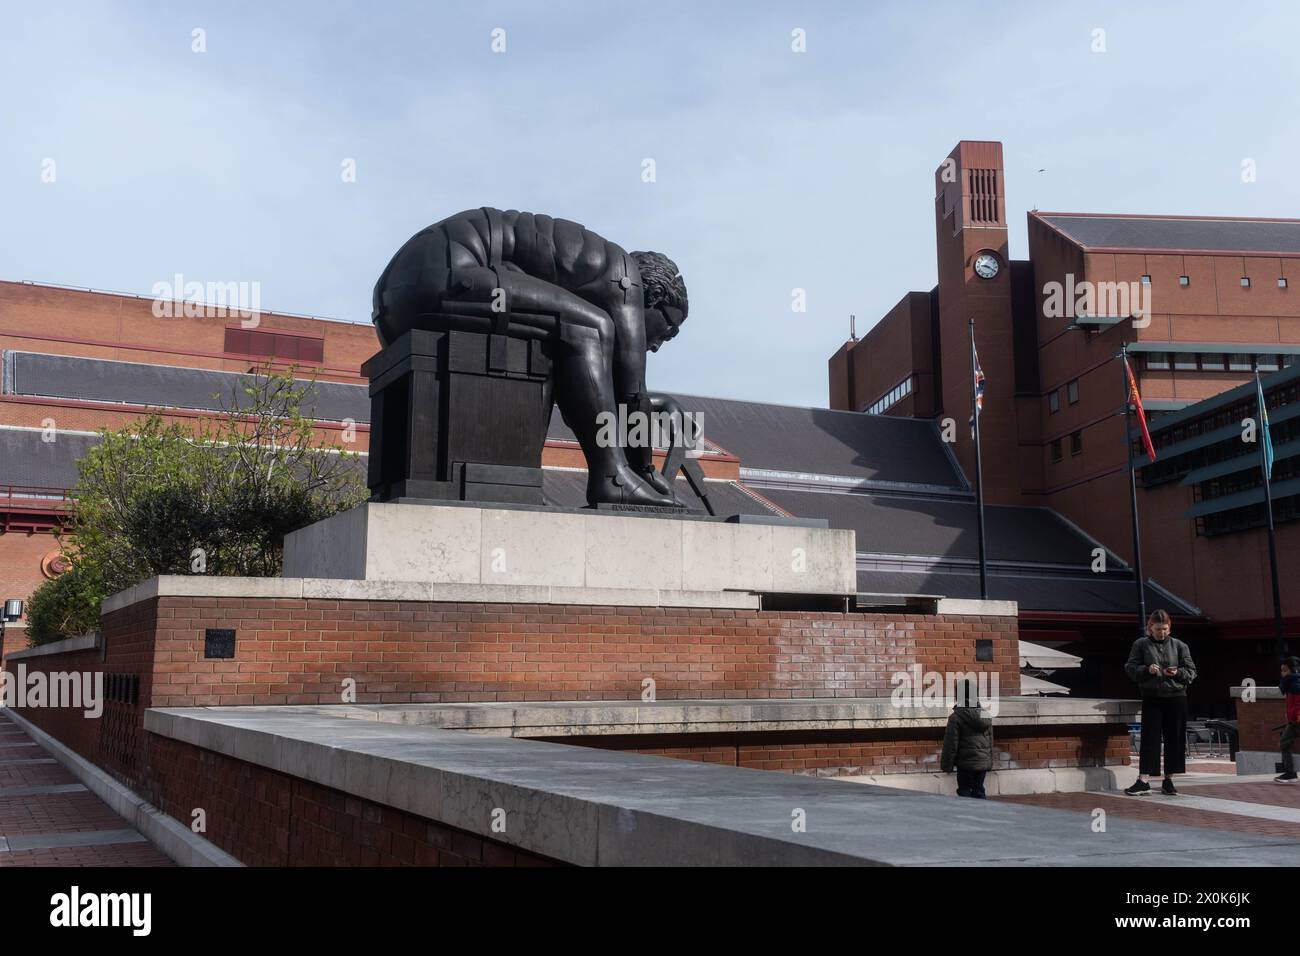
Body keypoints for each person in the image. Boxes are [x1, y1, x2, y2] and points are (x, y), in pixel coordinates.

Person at [370, 208, 688, 507]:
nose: (658, 344)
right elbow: (631, 391)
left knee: (576, 330)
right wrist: (645, 470)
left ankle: (612, 475)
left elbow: (593, 388)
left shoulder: (599, 266)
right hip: (443, 273)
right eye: (668, 331)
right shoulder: (625, 277)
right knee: (589, 327)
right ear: (655, 299)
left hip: (397, 301)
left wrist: (650, 429)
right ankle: (612, 479)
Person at [1123, 609, 1197, 796]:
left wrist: (1178, 673)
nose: (1161, 632)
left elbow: (1191, 672)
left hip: (1177, 697)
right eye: (1157, 629)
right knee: (1150, 739)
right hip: (1152, 696)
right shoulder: (1140, 644)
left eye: (1164, 629)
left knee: (1175, 738)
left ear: (1169, 628)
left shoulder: (1180, 646)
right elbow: (1130, 668)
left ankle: (1169, 780)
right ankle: (1144, 780)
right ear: (1150, 628)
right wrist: (1147, 670)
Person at [940, 679, 994, 798]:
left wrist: (947, 765)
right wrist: (989, 762)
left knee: (964, 791)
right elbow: (990, 740)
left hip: (965, 763)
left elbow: (951, 744)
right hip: (982, 762)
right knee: (979, 790)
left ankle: (968, 815)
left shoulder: (956, 717)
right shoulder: (986, 714)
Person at [1276, 656, 1300, 783]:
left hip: (1296, 721)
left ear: (1292, 670)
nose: (1282, 673)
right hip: (1294, 720)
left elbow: (1298, 704)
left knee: (1284, 743)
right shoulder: (1293, 682)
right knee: (1285, 743)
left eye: (1284, 670)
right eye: (1282, 670)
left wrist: (1295, 718)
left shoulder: (1295, 683)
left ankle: (1290, 773)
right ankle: (1290, 773)